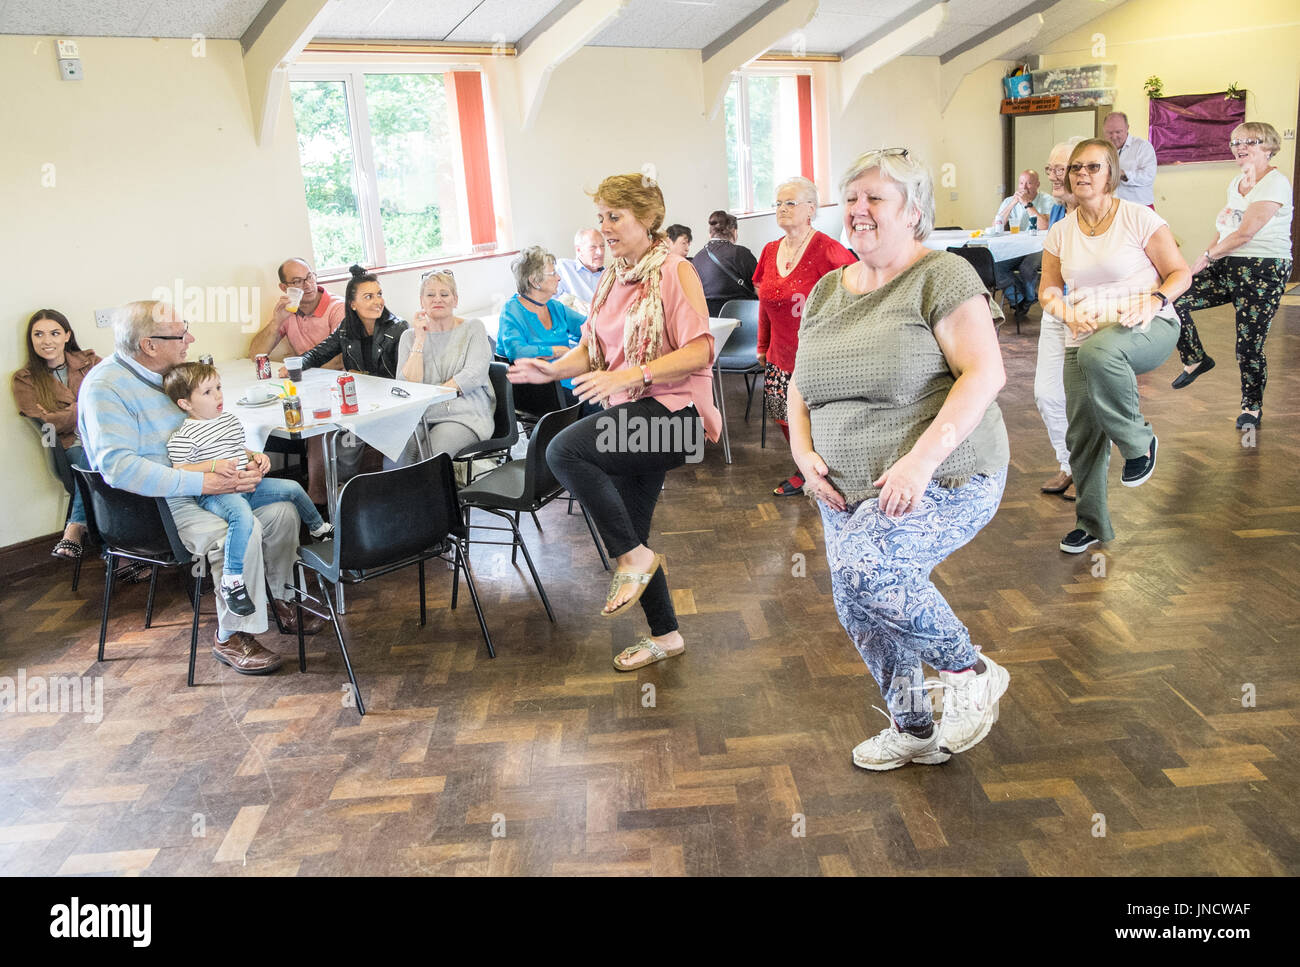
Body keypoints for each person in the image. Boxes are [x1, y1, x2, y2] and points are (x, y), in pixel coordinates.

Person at [789, 148, 1011, 771]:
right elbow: (802, 383)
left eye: (875, 198)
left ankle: (970, 671)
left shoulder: (942, 275)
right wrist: (803, 453)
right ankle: (914, 729)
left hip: (945, 475)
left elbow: (984, 373)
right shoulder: (830, 287)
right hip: (844, 489)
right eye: (851, 198)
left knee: (868, 568)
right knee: (856, 601)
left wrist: (917, 462)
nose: (858, 210)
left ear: (912, 211)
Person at [508, 173, 720, 673]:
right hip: (636, 415)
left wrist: (630, 374)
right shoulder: (613, 275)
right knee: (634, 532)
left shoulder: (674, 270)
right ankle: (666, 635)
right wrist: (553, 370)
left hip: (676, 420)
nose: (604, 227)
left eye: (615, 217)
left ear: (647, 220)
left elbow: (701, 349)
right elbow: (594, 347)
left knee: (563, 451)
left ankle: (632, 559)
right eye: (600, 216)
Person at [78, 301, 323, 676]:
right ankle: (230, 635)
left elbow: (208, 432)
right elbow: (118, 468)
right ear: (149, 345)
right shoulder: (105, 388)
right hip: (151, 507)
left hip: (202, 488)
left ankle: (278, 599)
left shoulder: (169, 373)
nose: (190, 338)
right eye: (181, 333)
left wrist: (246, 460)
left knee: (282, 512)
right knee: (240, 530)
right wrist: (203, 480)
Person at [1039, 138, 1191, 555]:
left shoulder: (1139, 218)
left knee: (1098, 353)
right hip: (1086, 330)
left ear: (1112, 174)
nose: (1082, 174)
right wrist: (1065, 313)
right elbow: (1048, 289)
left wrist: (1156, 299)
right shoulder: (1061, 231)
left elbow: (1180, 273)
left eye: (1093, 167)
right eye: (1075, 168)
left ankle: (1139, 441)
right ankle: (1091, 523)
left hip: (1146, 325)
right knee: (1082, 430)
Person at [164, 362, 332, 615]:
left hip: (247, 486)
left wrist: (256, 457)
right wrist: (212, 466)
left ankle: (319, 529)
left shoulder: (229, 420)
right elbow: (180, 470)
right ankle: (233, 580)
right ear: (185, 404)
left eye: (218, 387)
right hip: (217, 495)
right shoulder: (184, 436)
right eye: (207, 392)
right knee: (242, 517)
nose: (218, 395)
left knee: (293, 488)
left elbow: (238, 450)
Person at [1170, 122, 1293, 430]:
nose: (1240, 146)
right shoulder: (1236, 182)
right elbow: (1225, 229)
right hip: (1227, 263)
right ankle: (1195, 358)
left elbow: (1246, 233)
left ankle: (1251, 407)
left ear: (1268, 147)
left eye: (1249, 141)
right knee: (1174, 298)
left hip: (1263, 268)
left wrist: (1207, 256)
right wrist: (1201, 261)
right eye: (1235, 142)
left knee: (1248, 344)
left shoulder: (1275, 182)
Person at [753, 177, 856, 497]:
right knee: (783, 415)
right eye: (778, 203)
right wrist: (762, 343)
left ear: (811, 209)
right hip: (779, 355)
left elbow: (857, 302)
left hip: (819, 356)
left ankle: (830, 470)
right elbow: (765, 303)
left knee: (821, 420)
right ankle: (804, 467)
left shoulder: (830, 251)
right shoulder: (770, 251)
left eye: (790, 203)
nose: (782, 209)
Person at [283, 265, 409, 480]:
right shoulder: (346, 328)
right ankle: (328, 495)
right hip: (357, 403)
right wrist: (297, 364)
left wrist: (363, 376)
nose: (377, 301)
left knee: (364, 445)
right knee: (323, 435)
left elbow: (404, 380)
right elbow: (318, 353)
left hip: (388, 407)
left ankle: (366, 490)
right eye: (368, 297)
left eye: (379, 294)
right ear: (352, 304)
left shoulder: (398, 329)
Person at [12, 309, 103, 560]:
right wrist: (85, 408)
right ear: (31, 340)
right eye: (38, 334)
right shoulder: (25, 379)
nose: (46, 340)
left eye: (54, 333)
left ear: (67, 336)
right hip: (66, 447)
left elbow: (113, 401)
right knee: (92, 456)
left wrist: (62, 414)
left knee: (100, 455)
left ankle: (76, 527)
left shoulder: (92, 363)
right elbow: (46, 426)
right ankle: (113, 550)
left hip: (105, 439)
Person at [388, 270, 495, 466]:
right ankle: (405, 497)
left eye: (444, 294)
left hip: (464, 414)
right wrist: (420, 340)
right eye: (430, 295)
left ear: (455, 300)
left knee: (430, 455)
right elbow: (406, 387)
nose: (438, 299)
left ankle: (433, 497)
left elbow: (472, 376)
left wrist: (430, 399)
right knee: (397, 454)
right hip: (420, 416)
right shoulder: (409, 337)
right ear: (422, 301)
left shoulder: (473, 328)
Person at [1034, 142, 1080, 501]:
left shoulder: (1107, 212)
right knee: (1047, 393)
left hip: (1090, 314)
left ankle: (1084, 471)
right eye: (1050, 169)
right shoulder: (1056, 209)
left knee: (1082, 398)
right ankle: (1067, 463)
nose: (1053, 176)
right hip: (1057, 309)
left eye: (1059, 169)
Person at [497, 246, 586, 405]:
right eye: (553, 273)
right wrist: (556, 351)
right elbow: (517, 351)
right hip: (535, 390)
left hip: (567, 380)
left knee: (607, 393)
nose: (558, 278)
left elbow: (590, 327)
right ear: (535, 281)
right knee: (599, 402)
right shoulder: (512, 310)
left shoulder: (555, 307)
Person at [247, 258, 344, 367]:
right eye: (298, 281)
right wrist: (276, 322)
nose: (308, 285)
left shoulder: (338, 308)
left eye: (310, 277)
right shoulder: (287, 310)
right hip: (306, 377)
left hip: (336, 379)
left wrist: (296, 370)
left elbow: (338, 361)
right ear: (284, 288)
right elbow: (255, 355)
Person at [992, 169, 1054, 320]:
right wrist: (1013, 203)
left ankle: (1027, 298)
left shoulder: (1047, 200)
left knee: (1027, 267)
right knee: (996, 266)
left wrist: (1028, 204)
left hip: (1038, 247)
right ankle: (1022, 299)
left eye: (1029, 183)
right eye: (1021, 183)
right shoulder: (1009, 201)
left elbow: (1044, 225)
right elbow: (996, 225)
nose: (1024, 187)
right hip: (1016, 248)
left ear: (1037, 185)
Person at [692, 210, 757, 316]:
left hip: (710, 323)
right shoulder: (741, 253)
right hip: (743, 321)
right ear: (734, 232)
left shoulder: (697, 258)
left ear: (710, 234)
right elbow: (760, 288)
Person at [1103, 112, 1157, 208]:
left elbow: (1148, 176)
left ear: (1127, 128)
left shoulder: (1143, 146)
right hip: (1111, 207)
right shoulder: (1101, 149)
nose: (1114, 137)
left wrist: (1123, 175)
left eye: (1118, 132)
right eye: (1110, 133)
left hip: (1140, 207)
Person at [555, 228, 607, 314]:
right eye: (593, 247)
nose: (600, 252)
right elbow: (549, 304)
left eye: (602, 246)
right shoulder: (562, 268)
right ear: (579, 250)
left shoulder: (611, 275)